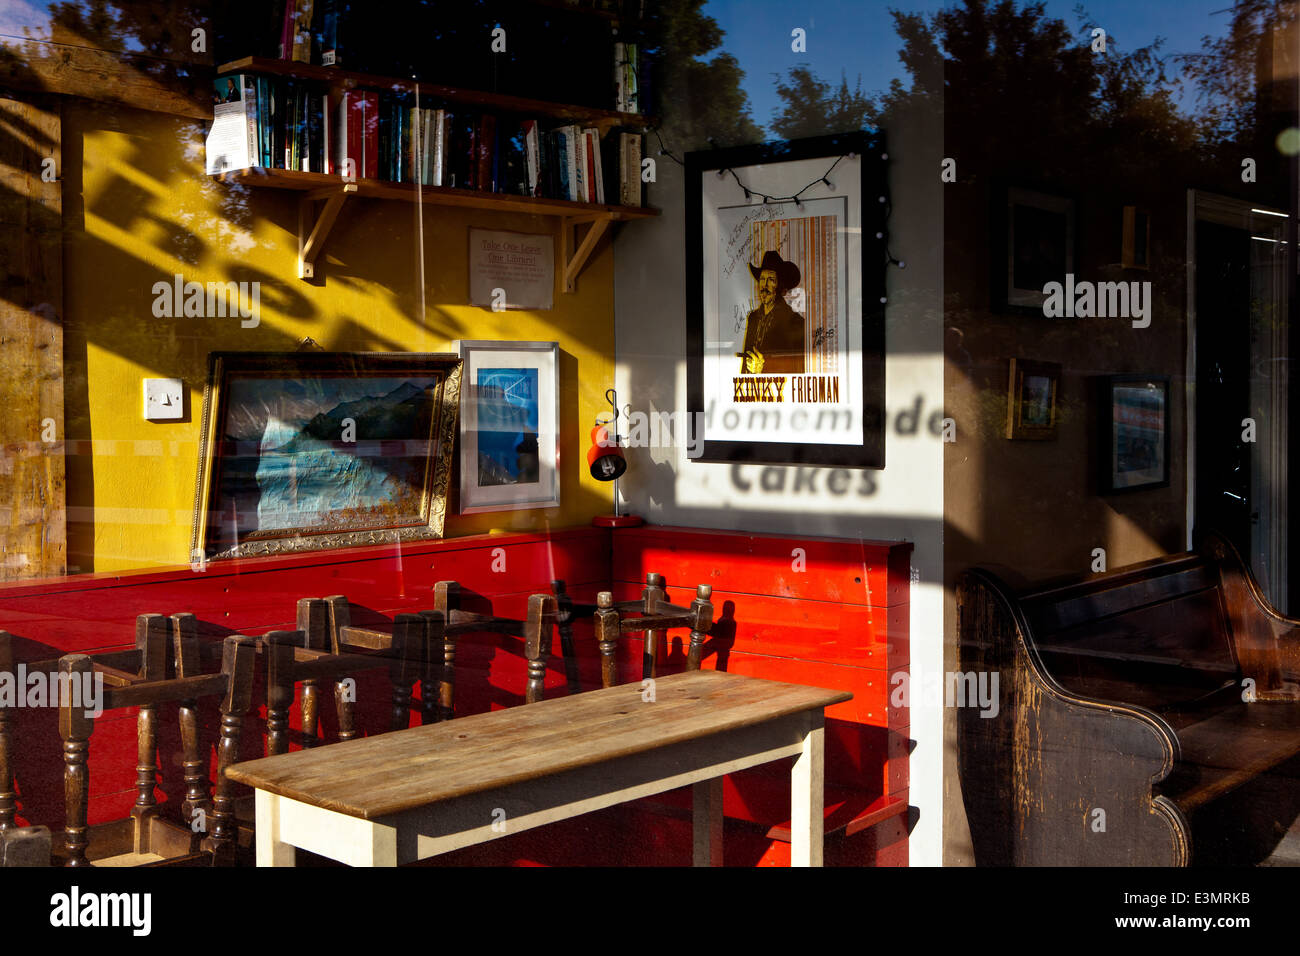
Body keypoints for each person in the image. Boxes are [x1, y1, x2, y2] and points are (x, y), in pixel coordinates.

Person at [739, 250, 806, 374]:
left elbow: (796, 368)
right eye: (762, 279)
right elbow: (745, 364)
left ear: (780, 286)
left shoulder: (795, 322)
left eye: (771, 279)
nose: (764, 285)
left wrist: (763, 369)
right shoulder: (753, 318)